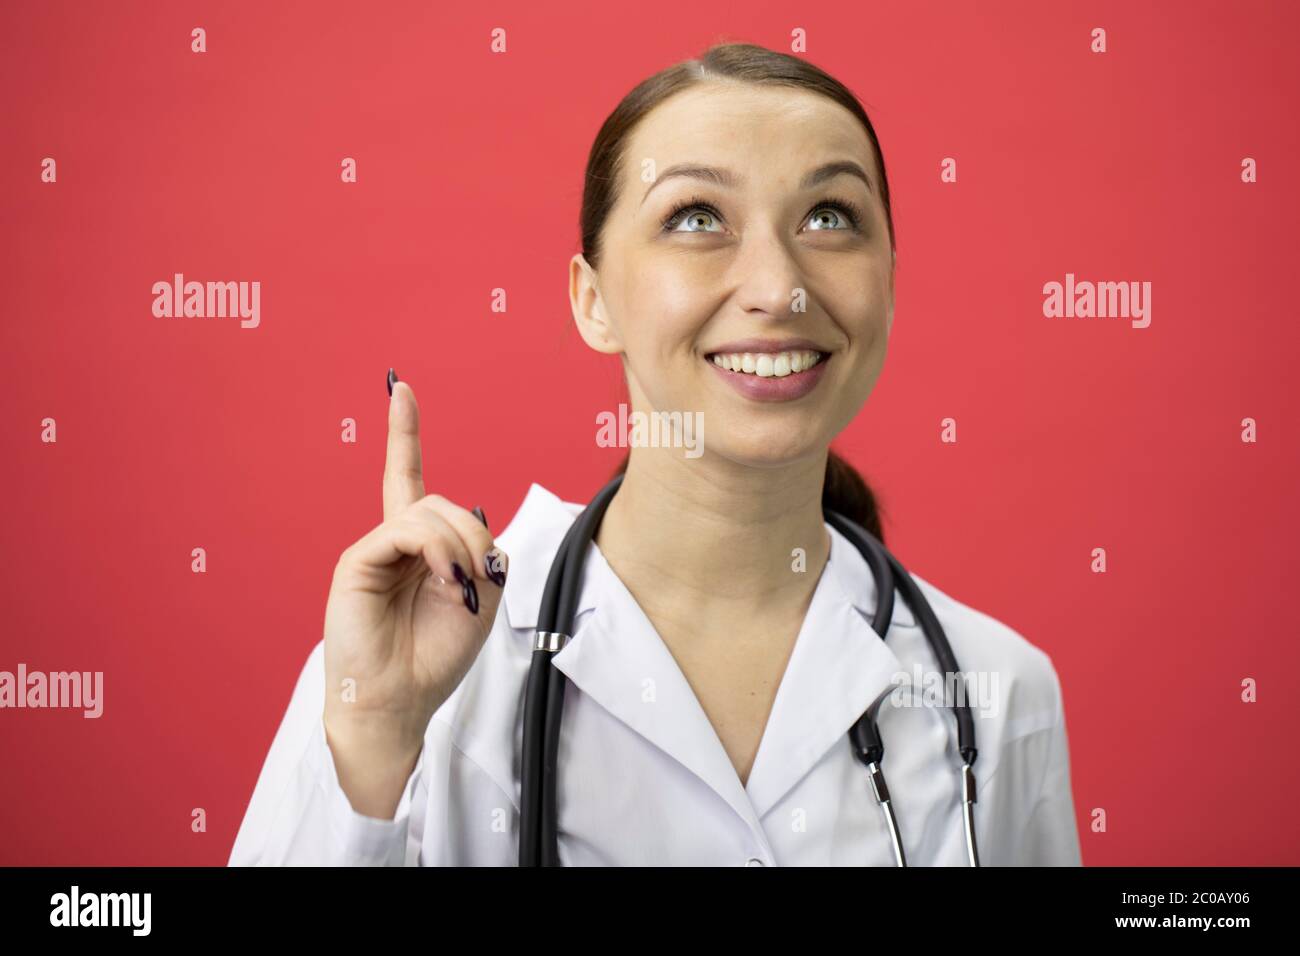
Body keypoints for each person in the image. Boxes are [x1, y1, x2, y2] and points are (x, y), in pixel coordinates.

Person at [229, 42, 1082, 866]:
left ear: (889, 283)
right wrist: (375, 731)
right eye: (697, 219)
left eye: (829, 217)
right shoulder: (417, 666)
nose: (777, 286)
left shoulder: (998, 692)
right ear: (593, 301)